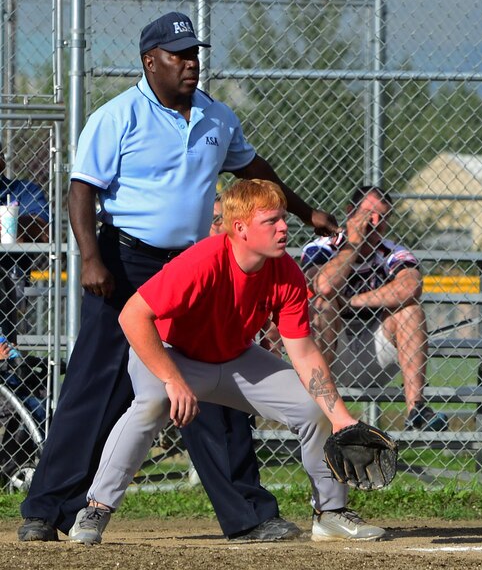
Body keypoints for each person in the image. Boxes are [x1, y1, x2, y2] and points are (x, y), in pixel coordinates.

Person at [18, 12, 338, 543]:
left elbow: (255, 171)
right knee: (96, 385)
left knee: (212, 380)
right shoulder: (117, 116)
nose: (190, 64)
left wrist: (309, 216)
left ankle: (249, 515)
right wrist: (92, 259)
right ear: (150, 61)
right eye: (178, 55)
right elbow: (82, 190)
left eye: (194, 54)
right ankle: (48, 509)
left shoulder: (216, 117)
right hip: (125, 262)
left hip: (194, 267)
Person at [66, 179, 384, 545]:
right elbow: (132, 316)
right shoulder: (202, 261)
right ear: (240, 229)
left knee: (315, 408)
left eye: (283, 219)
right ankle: (96, 509)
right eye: (272, 222)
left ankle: (330, 512)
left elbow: (304, 351)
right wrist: (171, 380)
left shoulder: (286, 273)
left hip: (234, 358)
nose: (284, 227)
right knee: (152, 402)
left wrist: (340, 416)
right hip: (172, 353)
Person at [302, 185, 446, 431]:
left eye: (382, 217)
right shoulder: (323, 246)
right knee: (323, 305)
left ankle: (417, 409)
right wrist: (354, 245)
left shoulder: (392, 251)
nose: (375, 222)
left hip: (376, 351)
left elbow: (411, 287)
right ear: (350, 212)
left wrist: (351, 301)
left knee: (410, 309)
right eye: (368, 214)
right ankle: (317, 408)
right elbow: (323, 285)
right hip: (335, 349)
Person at [0, 144, 50, 338]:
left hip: (9, 277)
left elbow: (44, 232)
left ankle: (9, 361)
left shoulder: (22, 190)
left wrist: (11, 221)